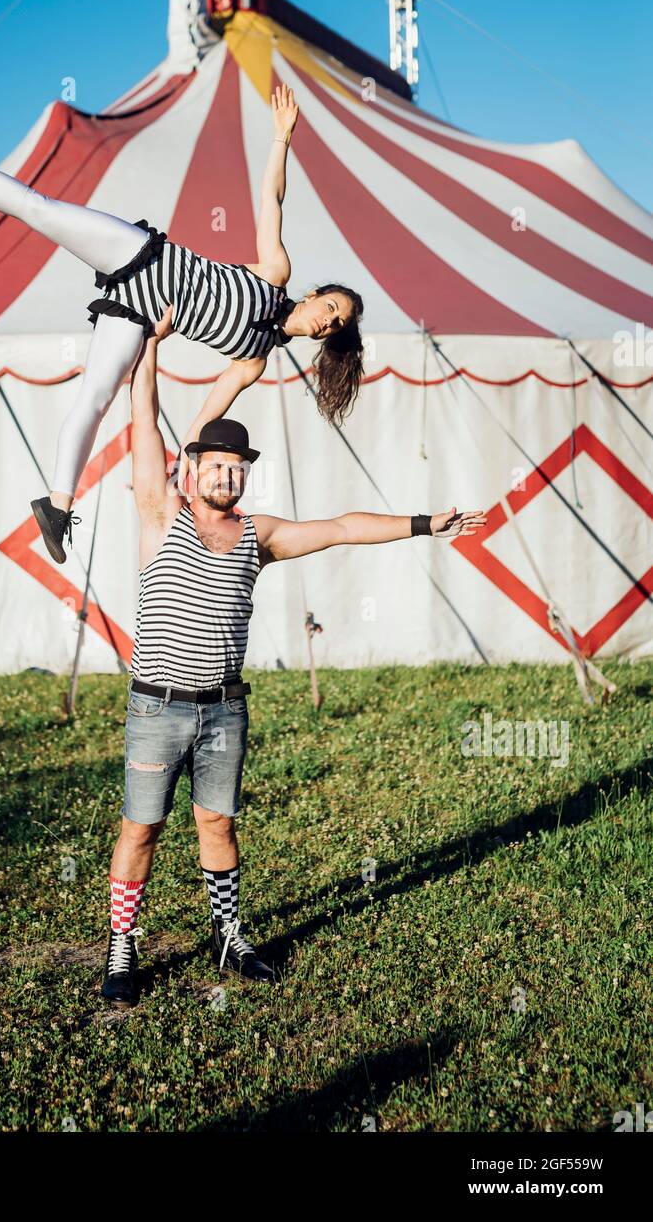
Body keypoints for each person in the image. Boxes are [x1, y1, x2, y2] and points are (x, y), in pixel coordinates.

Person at [101, 327, 487, 1007]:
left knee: (217, 823)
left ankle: (227, 933)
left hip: (224, 706)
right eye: (215, 463)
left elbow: (341, 527)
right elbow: (141, 418)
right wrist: (150, 349)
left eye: (237, 464)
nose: (227, 473)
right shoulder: (161, 514)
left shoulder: (261, 535)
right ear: (192, 469)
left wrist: (426, 524)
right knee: (142, 828)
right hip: (156, 706)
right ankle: (122, 947)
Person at [0, 84, 364, 564]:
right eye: (331, 307)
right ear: (315, 295)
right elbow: (271, 201)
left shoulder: (253, 359)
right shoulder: (276, 274)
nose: (329, 320)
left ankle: (57, 506)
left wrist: (178, 475)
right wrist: (281, 138)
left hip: (139, 317)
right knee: (38, 209)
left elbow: (204, 418)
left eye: (336, 323)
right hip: (142, 256)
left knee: (96, 396)